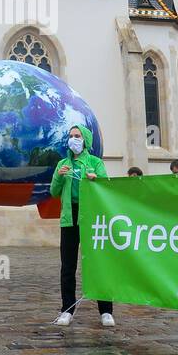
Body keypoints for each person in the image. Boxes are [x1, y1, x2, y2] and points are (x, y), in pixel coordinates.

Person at [50, 124, 113, 327]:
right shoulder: (62, 164)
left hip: (91, 217)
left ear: (85, 139)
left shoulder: (95, 162)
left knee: (99, 263)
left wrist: (97, 179)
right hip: (70, 217)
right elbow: (53, 191)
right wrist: (60, 176)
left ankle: (106, 310)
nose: (73, 139)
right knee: (67, 266)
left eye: (77, 136)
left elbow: (107, 186)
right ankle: (67, 310)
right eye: (70, 136)